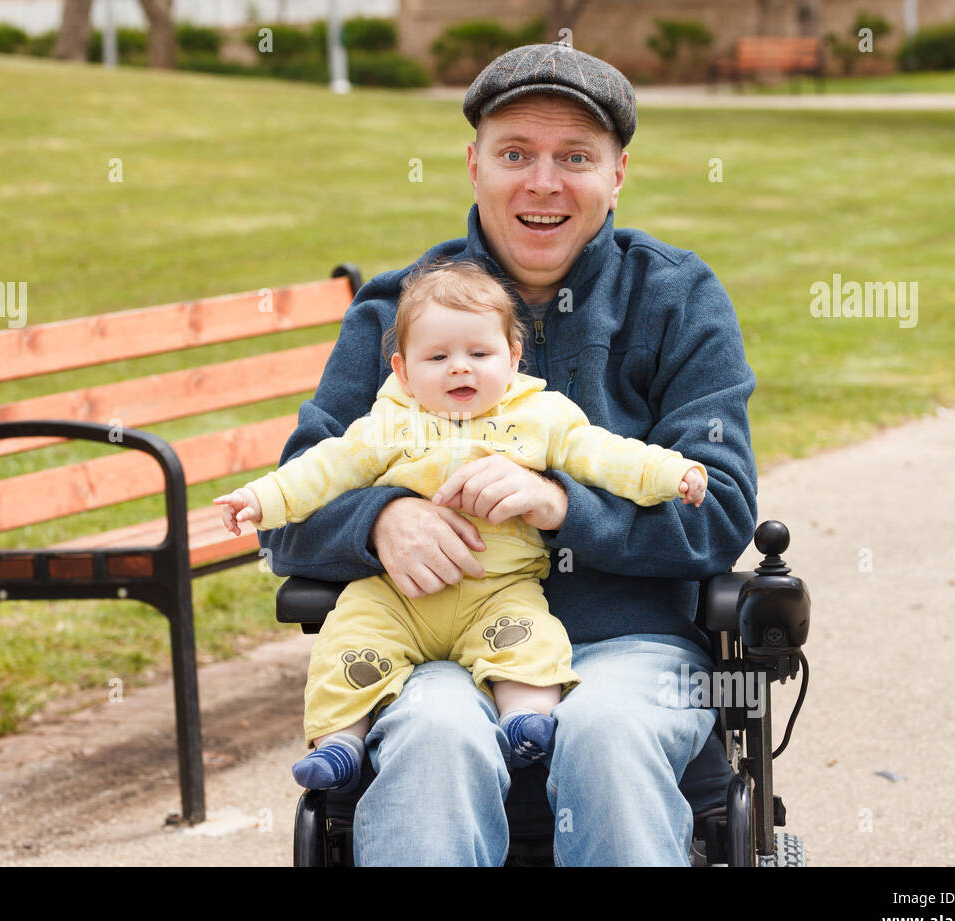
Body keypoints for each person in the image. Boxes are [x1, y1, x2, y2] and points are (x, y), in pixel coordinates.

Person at [259, 41, 759, 865]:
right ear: (474, 164)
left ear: (618, 175)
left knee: (604, 729)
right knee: (432, 734)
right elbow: (291, 513)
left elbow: (722, 509)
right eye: (516, 154)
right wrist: (381, 521)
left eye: (575, 158)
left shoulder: (675, 299)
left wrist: (564, 507)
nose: (543, 183)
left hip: (630, 644)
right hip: (439, 647)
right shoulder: (395, 311)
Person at [215, 259, 708, 792]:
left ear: (513, 358)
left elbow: (608, 456)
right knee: (351, 641)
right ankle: (339, 743)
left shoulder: (541, 417)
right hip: (399, 595)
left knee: (528, 639)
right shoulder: (386, 426)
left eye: (479, 354)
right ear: (402, 371)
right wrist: (261, 499)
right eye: (437, 357)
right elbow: (320, 470)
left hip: (496, 589)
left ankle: (525, 721)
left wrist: (669, 472)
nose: (460, 369)